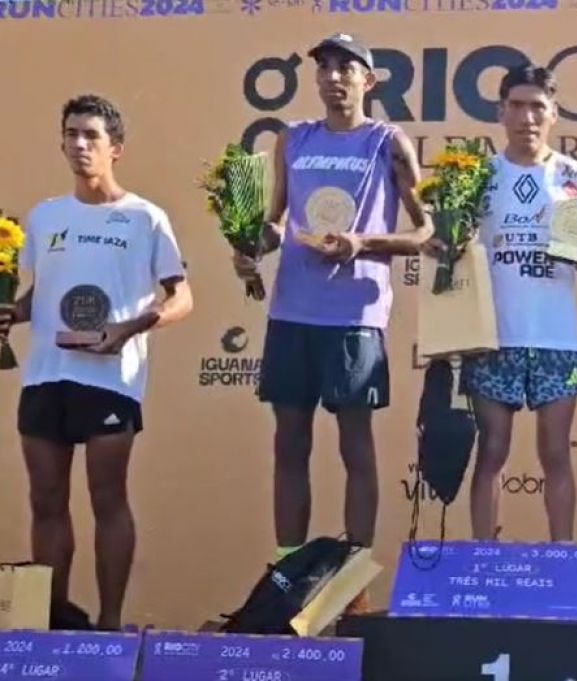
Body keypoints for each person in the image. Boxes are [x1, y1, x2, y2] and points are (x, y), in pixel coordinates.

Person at [231, 33, 430, 611]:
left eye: (347, 67)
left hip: (353, 317)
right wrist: (251, 246)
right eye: (325, 68)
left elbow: (425, 232)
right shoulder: (293, 139)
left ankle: (352, 586)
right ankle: (287, 578)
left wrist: (362, 243)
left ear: (370, 80)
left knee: (355, 449)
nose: (334, 77)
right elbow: (275, 223)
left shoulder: (387, 142)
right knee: (289, 444)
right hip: (291, 311)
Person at [0, 94, 194, 630]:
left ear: (116, 149)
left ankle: (109, 625)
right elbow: (39, 293)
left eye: (91, 136)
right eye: (71, 134)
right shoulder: (44, 217)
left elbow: (182, 298)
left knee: (107, 498)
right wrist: (11, 313)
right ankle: (51, 619)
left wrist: (129, 329)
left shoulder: (145, 217)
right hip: (46, 375)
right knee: (46, 501)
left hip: (110, 378)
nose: (79, 145)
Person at [449, 63, 577, 542]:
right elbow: (451, 248)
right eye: (516, 106)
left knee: (556, 452)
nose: (527, 117)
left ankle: (562, 557)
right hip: (493, 336)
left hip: (557, 337)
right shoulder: (478, 177)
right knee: (492, 451)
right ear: (501, 112)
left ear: (554, 113)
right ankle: (483, 555)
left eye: (537, 107)